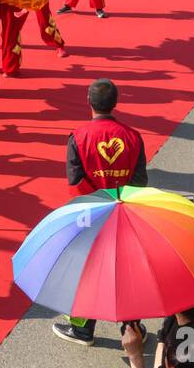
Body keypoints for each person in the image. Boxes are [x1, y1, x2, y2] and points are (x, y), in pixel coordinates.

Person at [54, 79, 148, 345]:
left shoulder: (78, 136)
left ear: (89, 101)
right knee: (128, 270)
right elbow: (141, 180)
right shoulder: (132, 136)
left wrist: (98, 200)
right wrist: (118, 198)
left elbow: (75, 182)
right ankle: (132, 328)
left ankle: (83, 329)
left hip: (91, 214)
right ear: (115, 102)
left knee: (86, 270)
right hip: (125, 210)